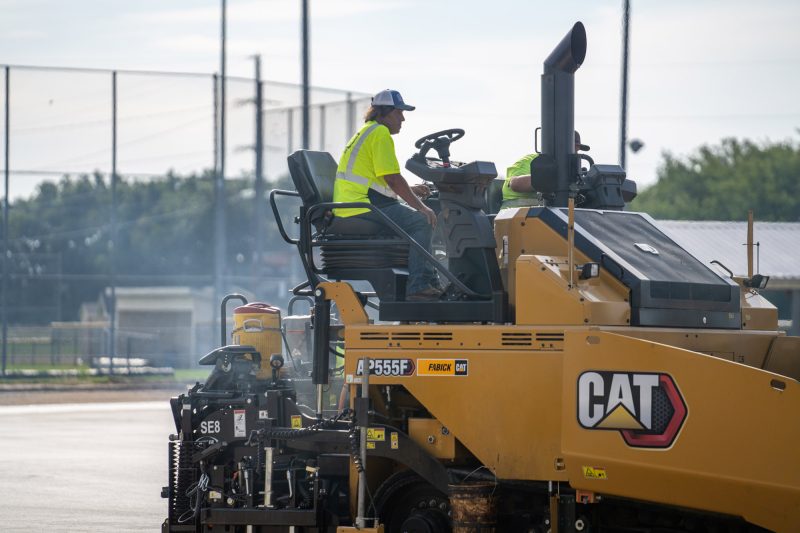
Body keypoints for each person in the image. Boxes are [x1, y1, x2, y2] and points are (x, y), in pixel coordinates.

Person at [333, 89, 441, 301]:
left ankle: (430, 283)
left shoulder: (368, 131)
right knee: (422, 221)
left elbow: (379, 180)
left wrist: (411, 191)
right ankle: (420, 286)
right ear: (383, 112)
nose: (402, 118)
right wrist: (421, 206)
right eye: (398, 113)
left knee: (418, 218)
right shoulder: (380, 133)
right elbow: (392, 178)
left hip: (357, 201)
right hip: (362, 205)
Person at [500, 131, 590, 210]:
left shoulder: (572, 176)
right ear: (556, 147)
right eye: (570, 149)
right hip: (514, 222)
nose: (574, 154)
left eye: (576, 150)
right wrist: (550, 177)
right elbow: (515, 184)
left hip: (547, 222)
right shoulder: (531, 161)